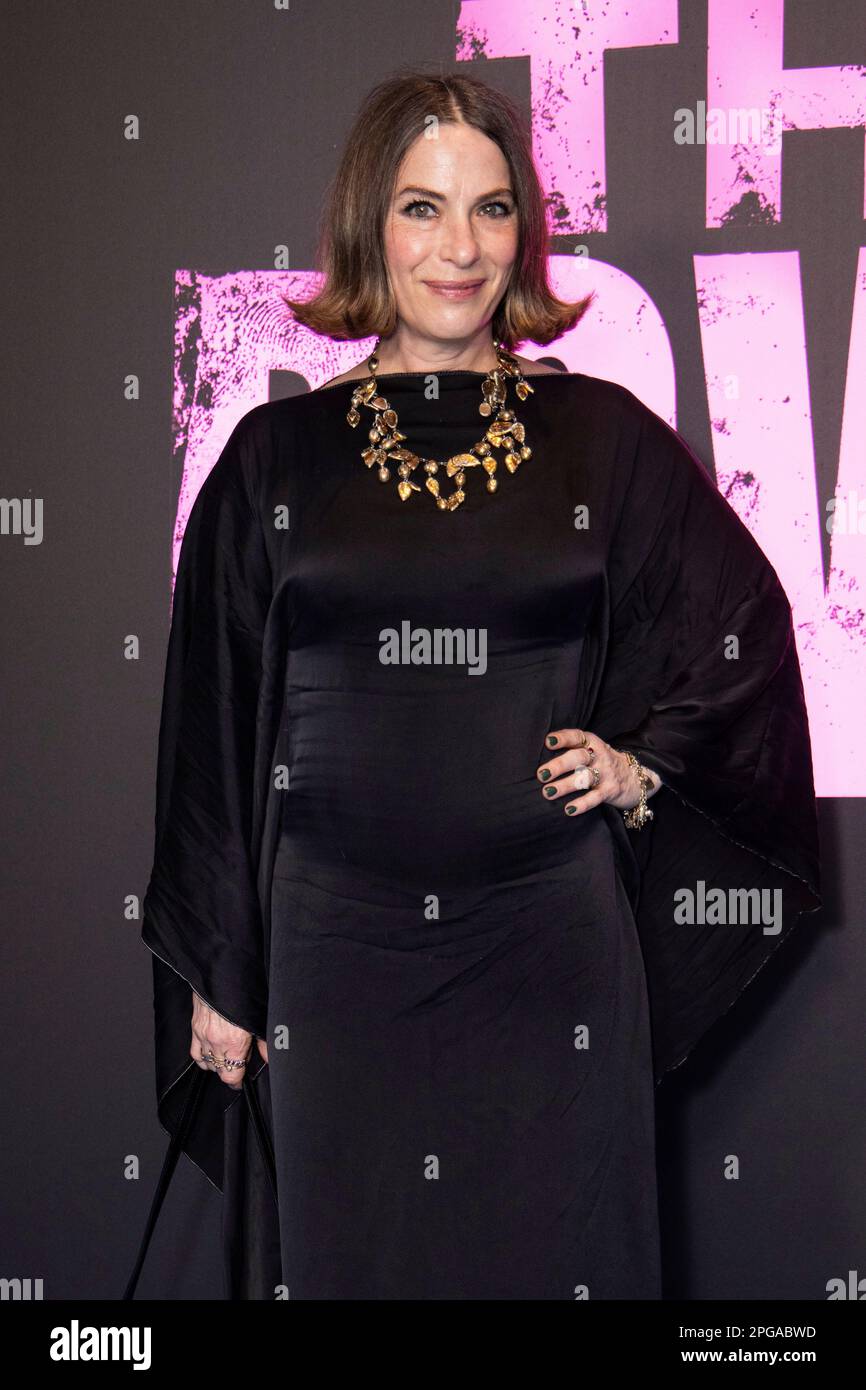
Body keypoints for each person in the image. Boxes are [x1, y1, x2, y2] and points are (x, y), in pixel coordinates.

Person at [140, 69, 821, 1300]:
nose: (459, 248)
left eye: (491, 209)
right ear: (367, 227)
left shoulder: (601, 436)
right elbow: (207, 722)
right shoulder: (271, 455)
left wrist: (641, 758)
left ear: (524, 232)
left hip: (548, 951)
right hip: (328, 961)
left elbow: (743, 626)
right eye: (420, 209)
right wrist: (219, 971)